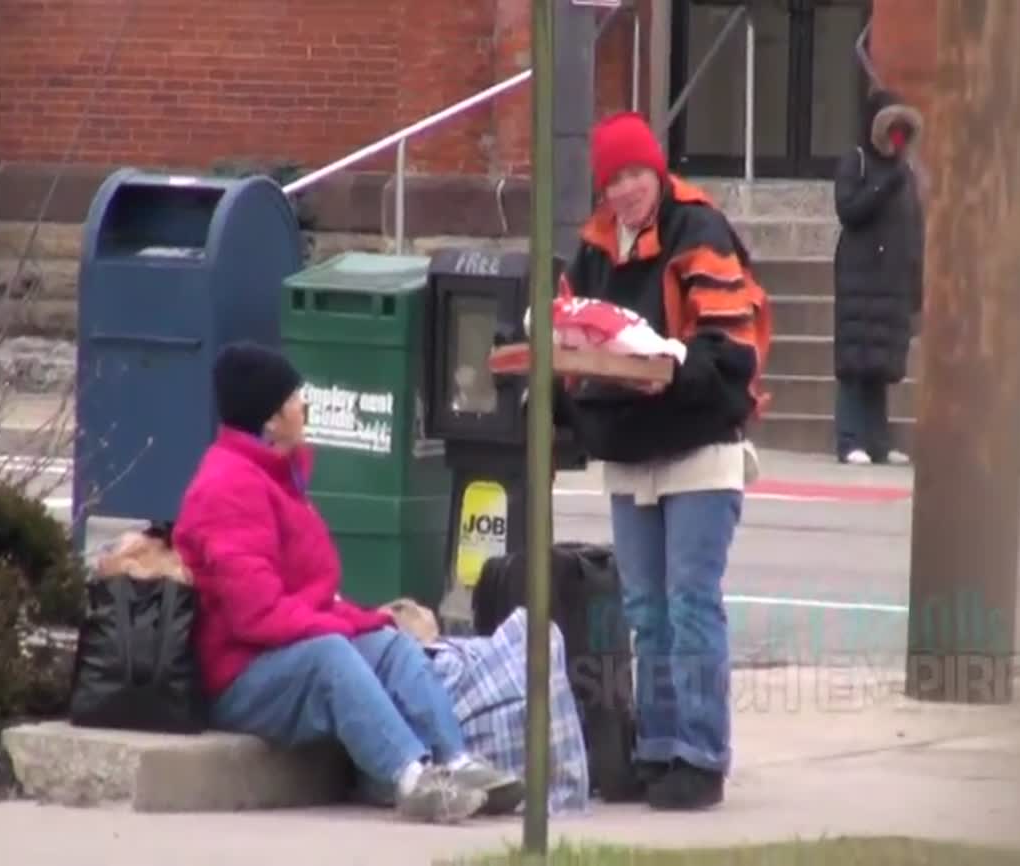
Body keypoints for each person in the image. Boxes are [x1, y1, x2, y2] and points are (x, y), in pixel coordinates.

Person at [171, 342, 522, 824]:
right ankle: (411, 778)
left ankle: (457, 761)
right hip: (240, 675)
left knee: (389, 643)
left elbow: (308, 597)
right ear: (270, 419)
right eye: (295, 397)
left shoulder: (273, 476)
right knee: (331, 655)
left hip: (277, 652)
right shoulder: (229, 487)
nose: (305, 406)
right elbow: (256, 615)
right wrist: (338, 628)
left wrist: (366, 620)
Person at [556, 112, 770, 811]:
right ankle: (656, 747)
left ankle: (700, 755)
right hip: (631, 448)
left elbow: (731, 342)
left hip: (700, 448)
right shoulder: (591, 249)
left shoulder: (698, 230)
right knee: (645, 608)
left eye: (634, 175)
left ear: (658, 172)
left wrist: (672, 373)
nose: (624, 191)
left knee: (689, 604)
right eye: (612, 179)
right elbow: (569, 326)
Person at [831, 88, 925, 465]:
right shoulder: (856, 162)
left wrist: (917, 280)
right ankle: (849, 438)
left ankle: (878, 440)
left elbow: (915, 226)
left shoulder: (908, 172)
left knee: (880, 366)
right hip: (860, 280)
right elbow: (848, 208)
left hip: (893, 283)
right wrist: (882, 187)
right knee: (855, 363)